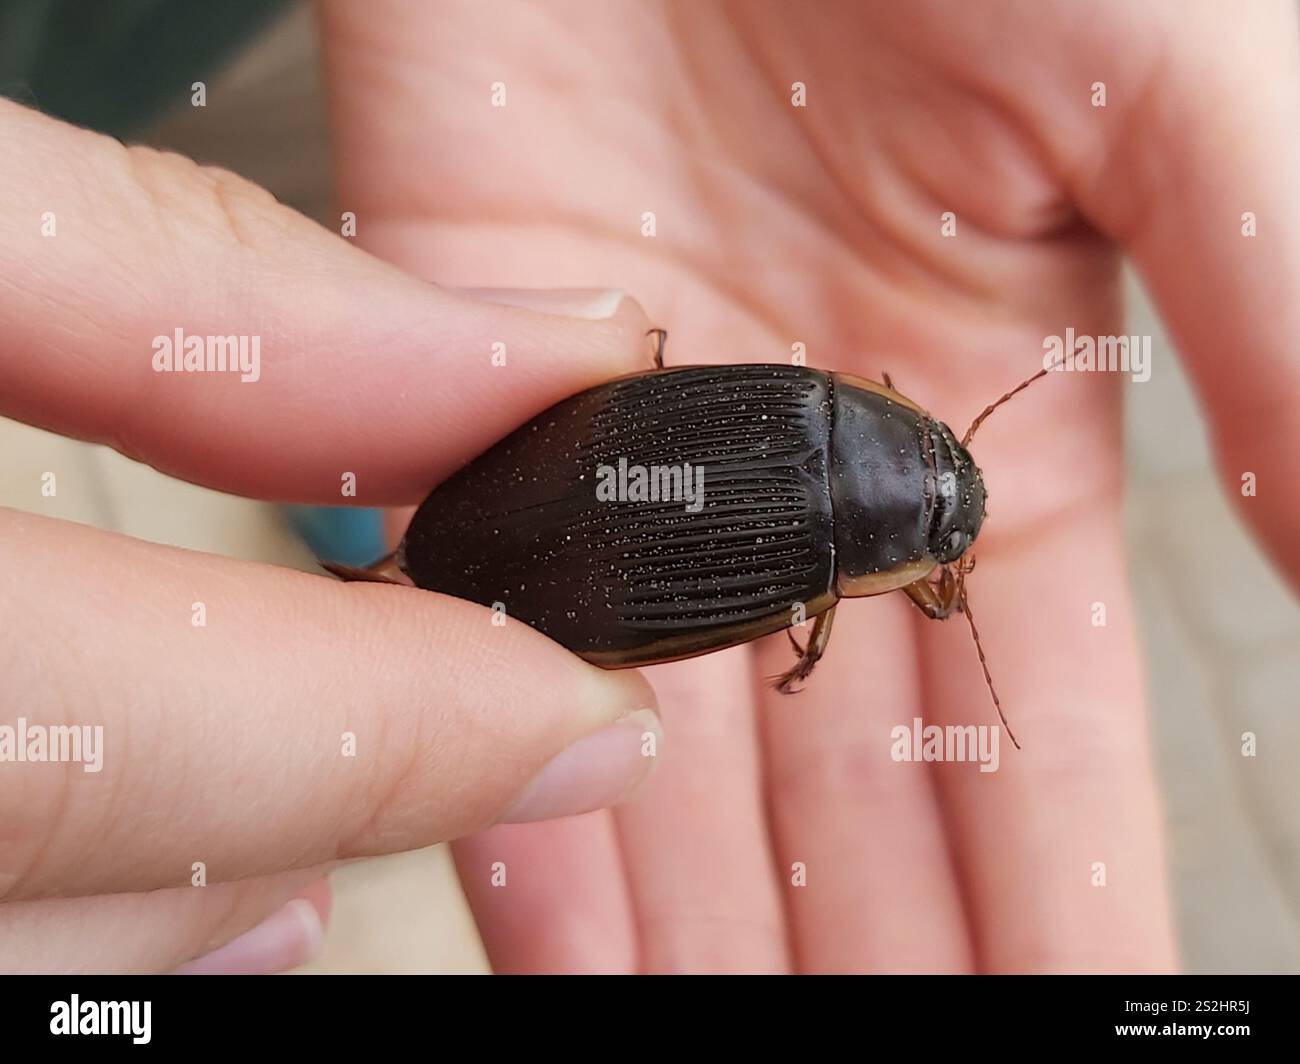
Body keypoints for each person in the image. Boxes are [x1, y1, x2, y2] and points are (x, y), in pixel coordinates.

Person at [3, 0, 1297, 974]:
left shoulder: (802, 402)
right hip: (521, 509)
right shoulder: (816, 569)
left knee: (404, 439)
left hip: (497, 457)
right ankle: (365, 525)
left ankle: (368, 521)